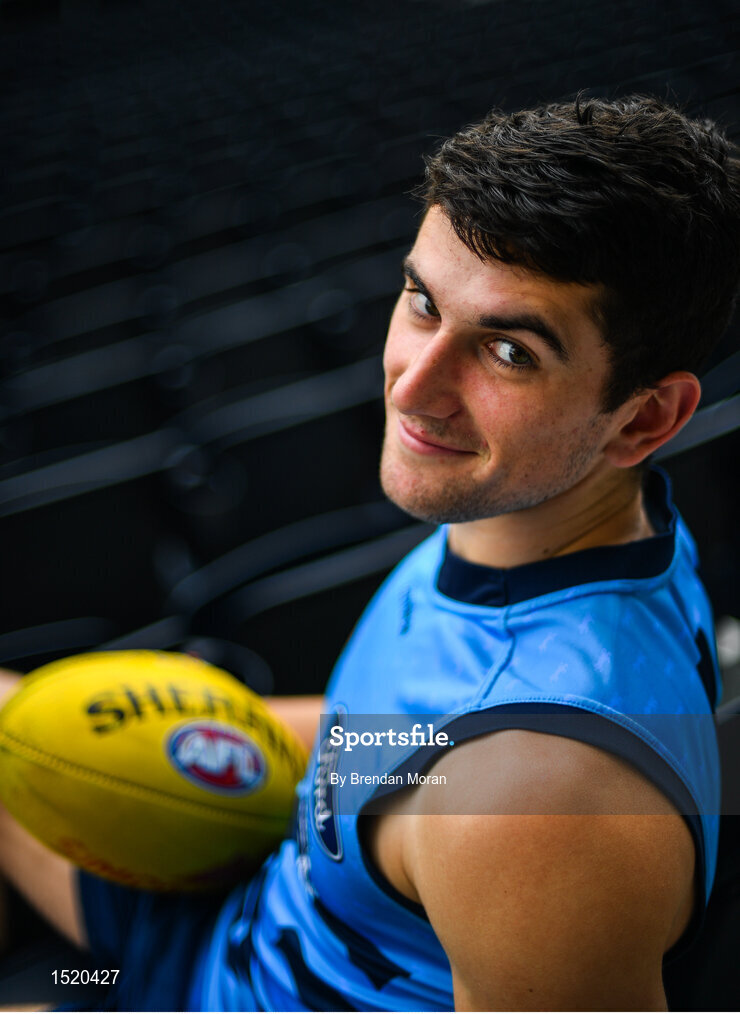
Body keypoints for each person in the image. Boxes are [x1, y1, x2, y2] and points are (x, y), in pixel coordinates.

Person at [1, 93, 739, 1011]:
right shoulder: (580, 523)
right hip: (251, 913)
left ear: (646, 417)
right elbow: (416, 730)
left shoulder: (538, 811)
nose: (414, 387)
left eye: (509, 352)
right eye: (423, 301)